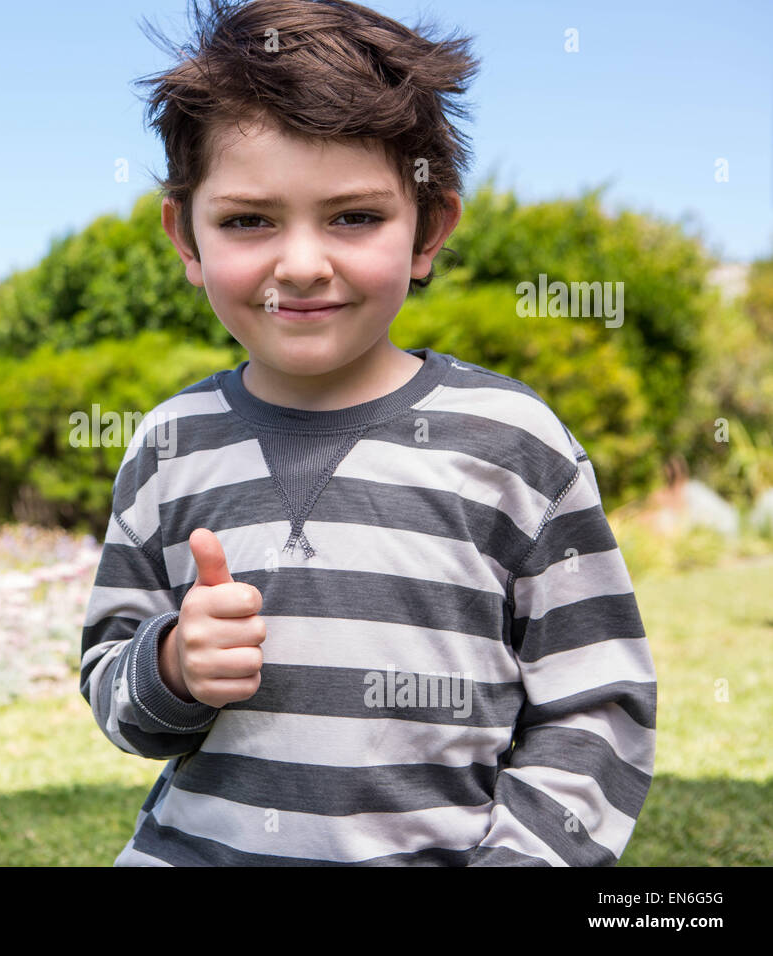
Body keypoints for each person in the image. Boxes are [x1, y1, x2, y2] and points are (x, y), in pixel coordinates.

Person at [79, 0, 656, 865]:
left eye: (354, 216)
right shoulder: (168, 444)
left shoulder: (512, 443)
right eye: (248, 220)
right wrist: (171, 667)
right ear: (184, 236)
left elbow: (596, 706)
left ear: (428, 229)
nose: (303, 264)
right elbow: (111, 682)